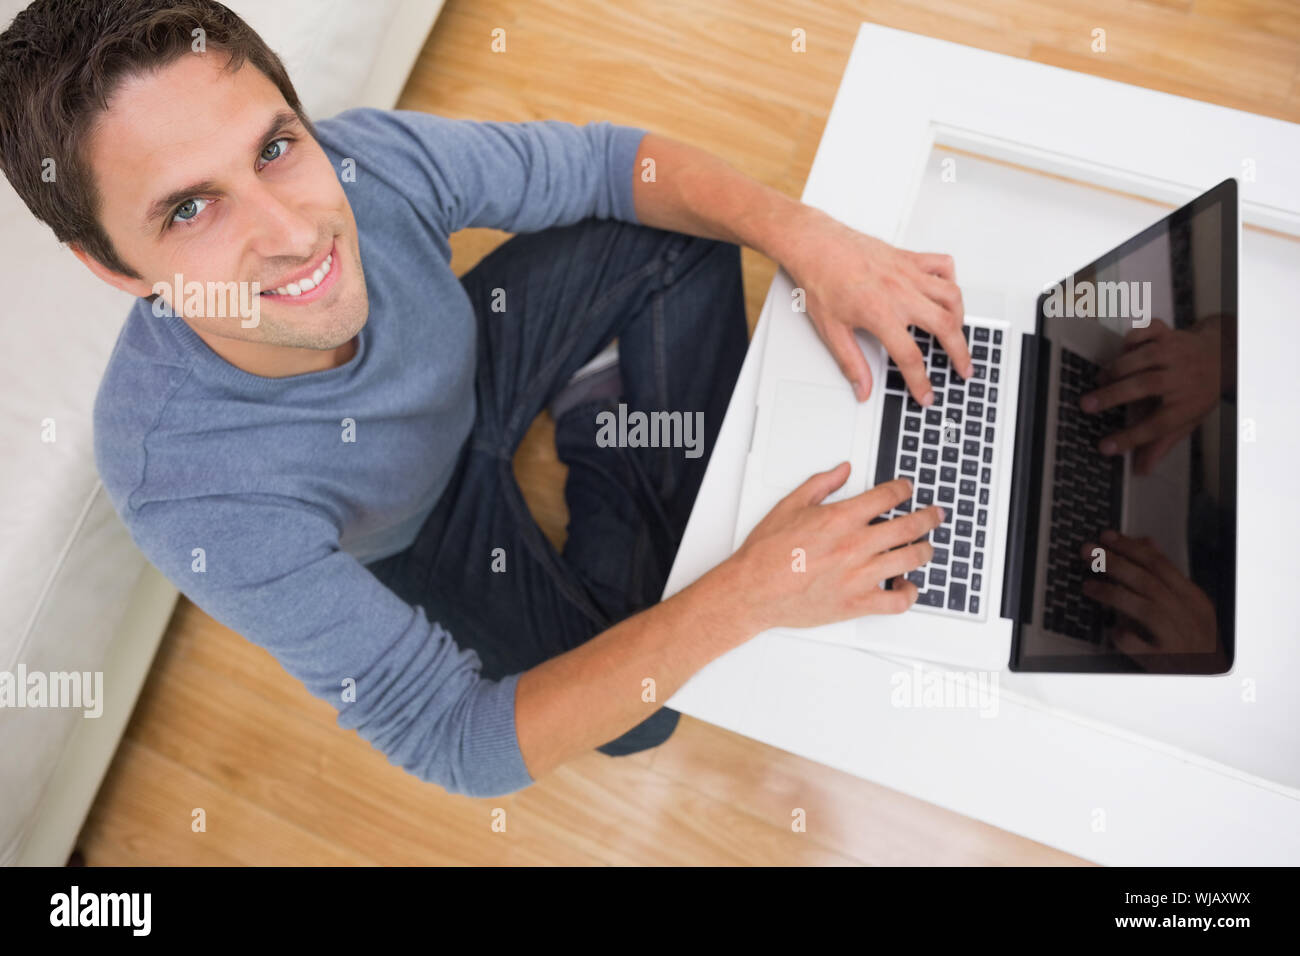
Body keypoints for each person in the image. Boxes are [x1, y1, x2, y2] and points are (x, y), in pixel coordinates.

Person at [0, 0, 969, 797]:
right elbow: (454, 740)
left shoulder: (365, 160)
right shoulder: (184, 488)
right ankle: (615, 429)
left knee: (684, 232)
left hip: (478, 360)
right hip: (417, 531)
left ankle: (607, 426)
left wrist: (811, 236)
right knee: (644, 714)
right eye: (189, 209)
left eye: (274, 148)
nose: (292, 233)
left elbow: (611, 164)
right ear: (114, 267)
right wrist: (745, 595)